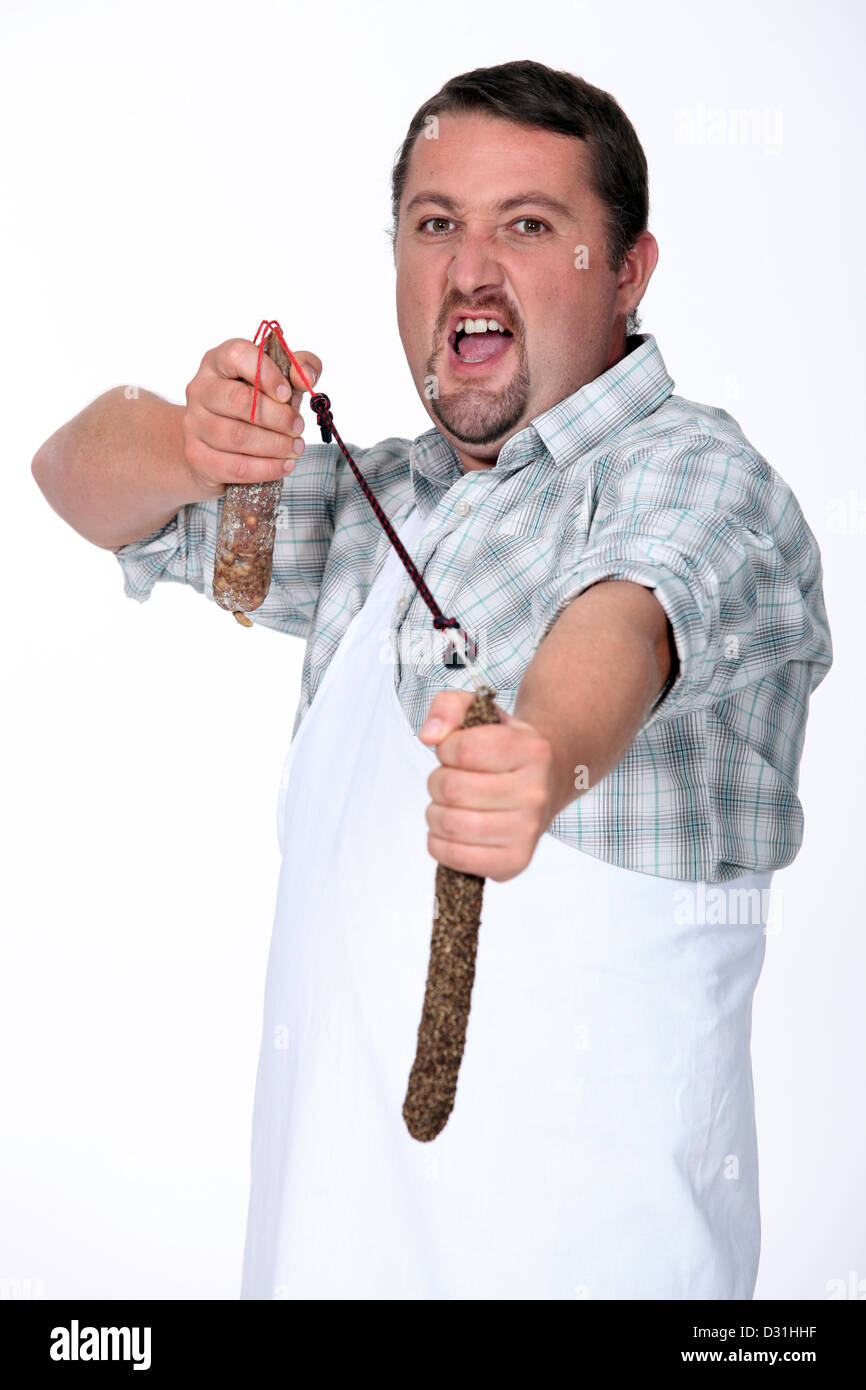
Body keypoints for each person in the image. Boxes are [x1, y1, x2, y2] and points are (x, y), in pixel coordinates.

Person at [31, 59, 832, 1300]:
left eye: (528, 225)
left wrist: (544, 754)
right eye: (433, 224)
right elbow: (74, 481)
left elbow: (633, 608)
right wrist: (189, 444)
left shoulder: (697, 474)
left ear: (624, 271)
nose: (468, 266)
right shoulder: (384, 499)